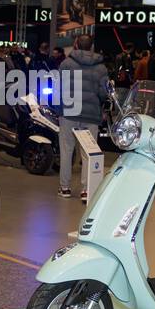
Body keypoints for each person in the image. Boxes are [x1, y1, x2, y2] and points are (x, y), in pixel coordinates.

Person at [57, 35, 108, 201]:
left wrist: (60, 109)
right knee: (88, 153)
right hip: (91, 114)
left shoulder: (66, 64)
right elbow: (103, 93)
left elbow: (59, 89)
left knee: (66, 150)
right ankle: (86, 190)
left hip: (69, 113)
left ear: (76, 45)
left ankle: (65, 188)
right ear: (91, 47)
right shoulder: (101, 68)